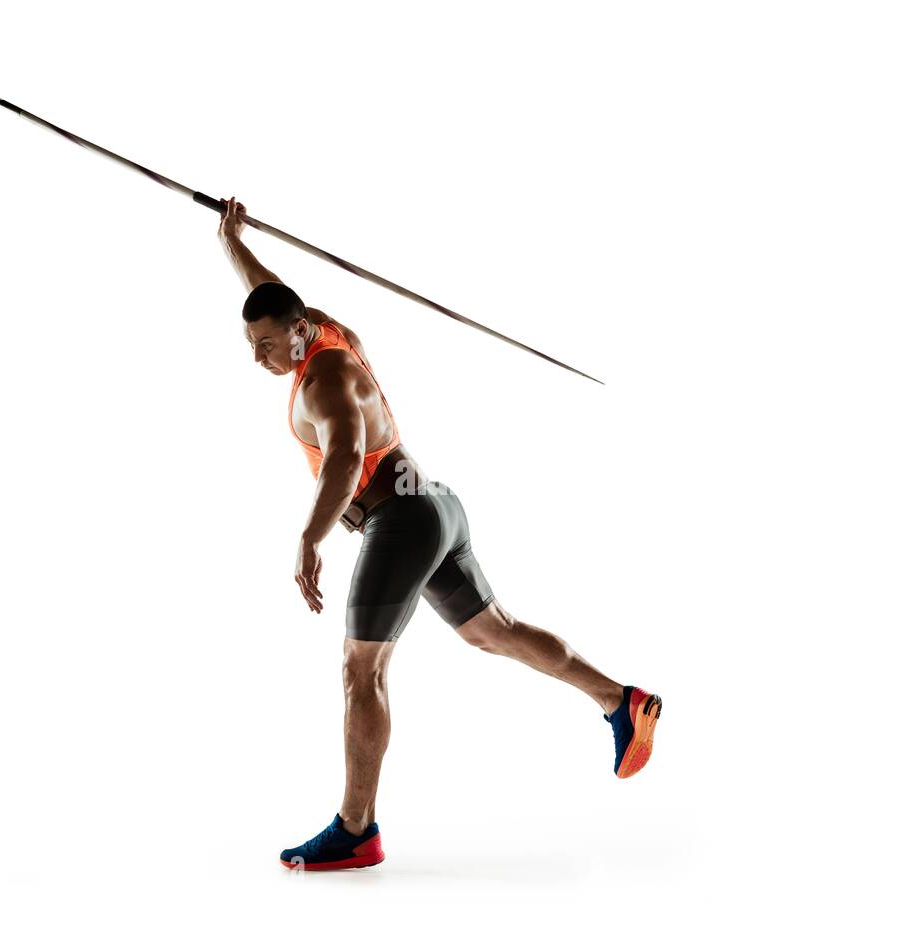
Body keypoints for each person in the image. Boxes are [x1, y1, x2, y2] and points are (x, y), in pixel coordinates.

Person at [218, 198, 663, 871]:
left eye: (265, 347)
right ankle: (620, 700)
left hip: (400, 523)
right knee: (496, 631)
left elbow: (343, 459)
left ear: (297, 331)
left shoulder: (326, 379)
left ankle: (356, 828)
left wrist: (311, 536)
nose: (259, 360)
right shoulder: (323, 331)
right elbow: (269, 294)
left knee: (358, 667)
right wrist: (233, 240)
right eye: (253, 348)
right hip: (433, 508)